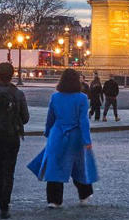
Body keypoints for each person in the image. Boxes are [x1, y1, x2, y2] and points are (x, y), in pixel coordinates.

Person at [28, 68, 98, 208]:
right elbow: (83, 121)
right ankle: (84, 194)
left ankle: (54, 200)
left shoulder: (55, 97)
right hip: (75, 135)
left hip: (58, 134)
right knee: (78, 167)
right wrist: (87, 140)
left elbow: (51, 117)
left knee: (55, 167)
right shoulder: (82, 98)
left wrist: (48, 132)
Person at [0, 62, 29, 219]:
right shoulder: (18, 94)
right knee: (9, 170)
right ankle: (5, 204)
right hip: (12, 135)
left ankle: (0, 202)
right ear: (12, 75)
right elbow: (25, 118)